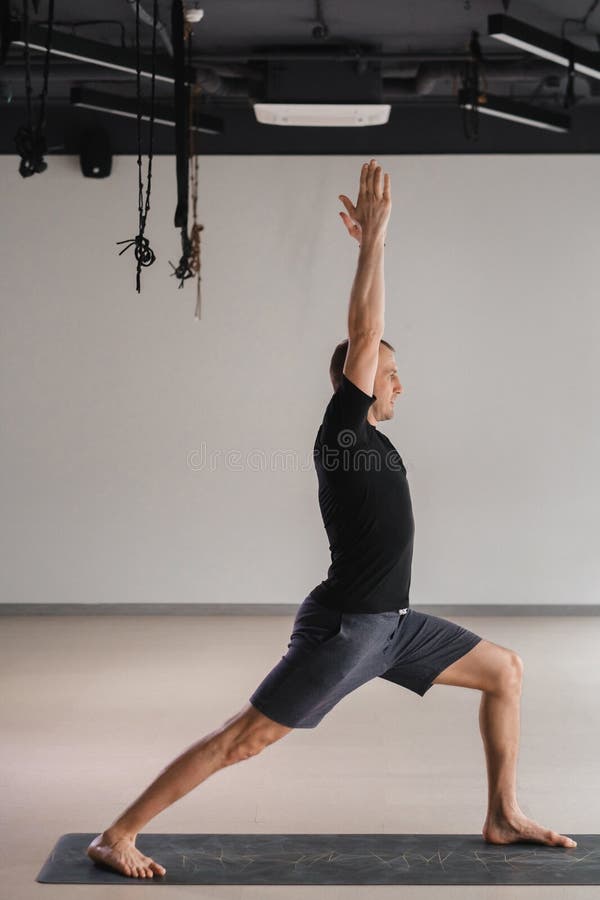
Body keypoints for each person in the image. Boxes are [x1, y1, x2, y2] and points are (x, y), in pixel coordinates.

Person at [86, 159, 576, 879]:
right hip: (350, 629)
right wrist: (372, 245)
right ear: (356, 374)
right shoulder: (342, 433)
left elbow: (372, 340)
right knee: (246, 739)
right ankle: (118, 834)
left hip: (395, 626)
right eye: (385, 366)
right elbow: (365, 326)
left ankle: (503, 813)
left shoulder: (374, 440)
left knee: (504, 670)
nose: (399, 376)